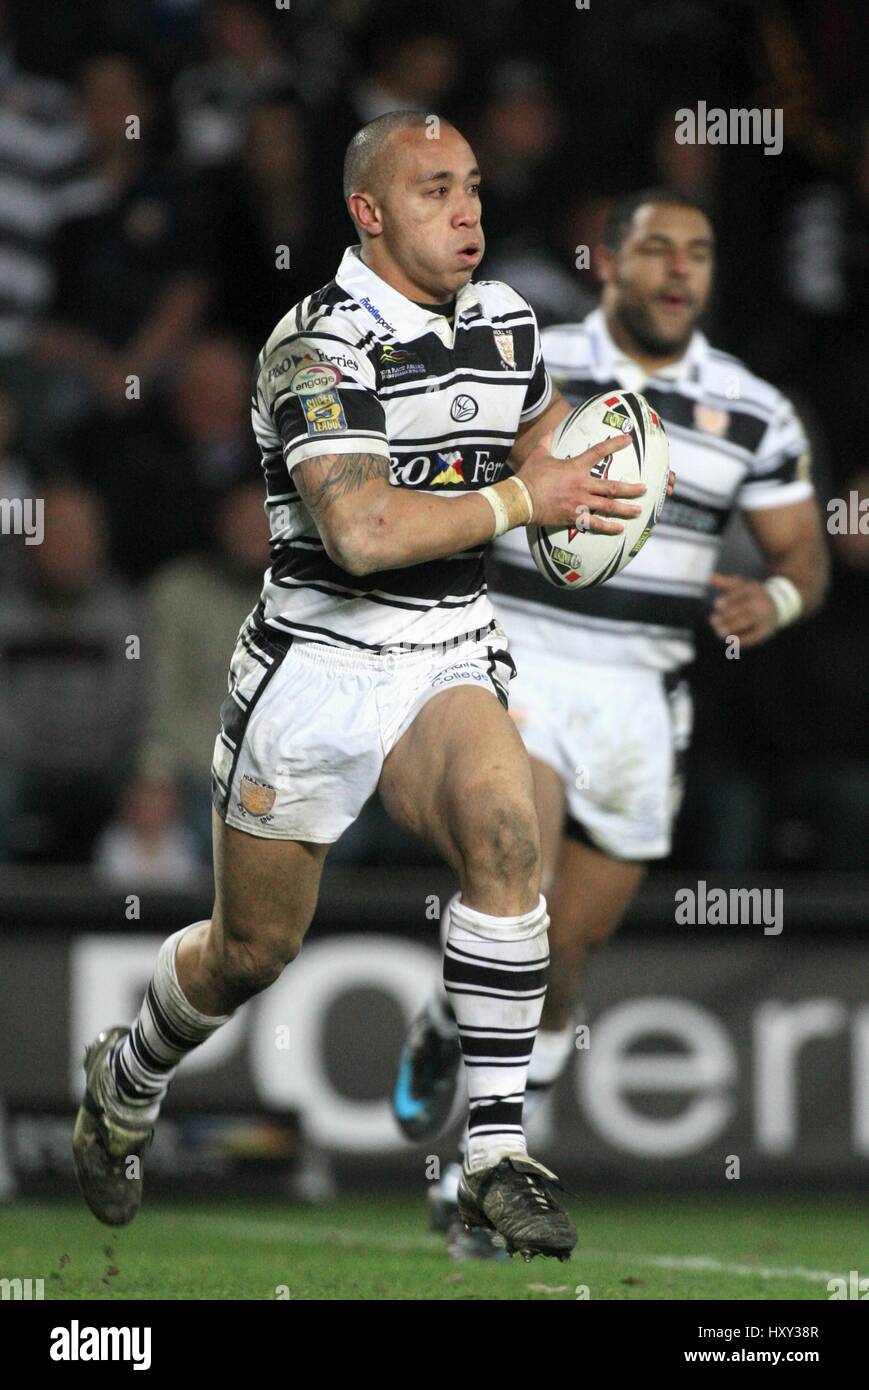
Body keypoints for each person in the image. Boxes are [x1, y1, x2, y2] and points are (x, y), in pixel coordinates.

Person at [72, 111, 649, 1261]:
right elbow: (363, 529)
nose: (468, 210)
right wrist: (525, 503)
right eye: (434, 191)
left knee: (503, 830)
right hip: (318, 667)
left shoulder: (508, 324)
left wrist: (599, 487)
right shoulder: (315, 347)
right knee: (252, 950)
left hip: (445, 648)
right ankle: (126, 1077)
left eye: (474, 186)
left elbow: (541, 453)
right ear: (369, 214)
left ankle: (492, 1156)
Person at [393, 188, 829, 1255]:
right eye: (655, 250)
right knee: (522, 885)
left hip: (641, 696)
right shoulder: (526, 363)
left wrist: (770, 600)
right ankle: (486, 1186)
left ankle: (452, 1040)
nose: (678, 269)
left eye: (698, 252)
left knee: (570, 954)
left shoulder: (751, 409)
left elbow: (801, 557)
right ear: (611, 263)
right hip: (518, 660)